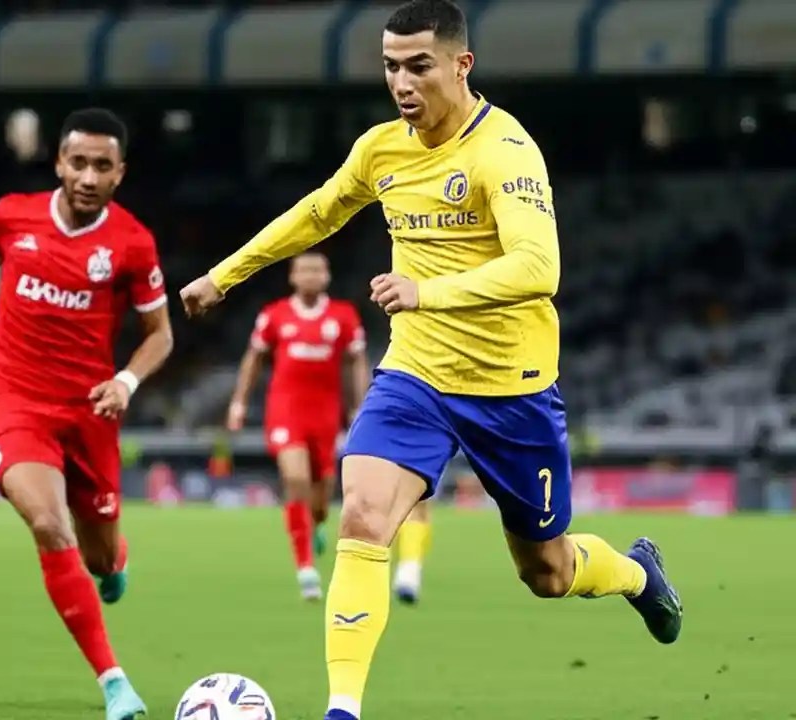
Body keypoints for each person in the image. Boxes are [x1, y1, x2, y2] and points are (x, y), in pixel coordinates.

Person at [178, 3, 683, 719]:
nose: (402, 82)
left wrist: (427, 291)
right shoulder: (383, 149)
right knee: (361, 517)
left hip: (512, 389)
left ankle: (637, 575)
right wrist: (224, 275)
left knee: (547, 570)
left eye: (419, 65)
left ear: (461, 64)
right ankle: (343, 709)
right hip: (415, 376)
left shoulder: (504, 150)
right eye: (390, 66)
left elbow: (539, 268)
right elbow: (319, 211)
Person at [0, 108, 172, 720]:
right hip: (11, 402)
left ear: (120, 173)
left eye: (103, 165)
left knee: (99, 557)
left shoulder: (131, 243)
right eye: (78, 162)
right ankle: (114, 682)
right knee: (49, 524)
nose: (89, 175)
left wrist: (126, 380)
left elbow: (161, 335)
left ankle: (113, 561)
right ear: (59, 163)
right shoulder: (12, 215)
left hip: (90, 412)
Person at [225, 252, 369, 601]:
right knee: (296, 480)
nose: (310, 275)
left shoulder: (343, 317)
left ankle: (316, 525)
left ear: (327, 276)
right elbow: (254, 358)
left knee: (322, 495)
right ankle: (305, 568)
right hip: (286, 412)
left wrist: (361, 407)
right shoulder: (275, 315)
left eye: (317, 269)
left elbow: (357, 362)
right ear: (292, 276)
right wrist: (239, 402)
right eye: (304, 269)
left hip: (325, 415)